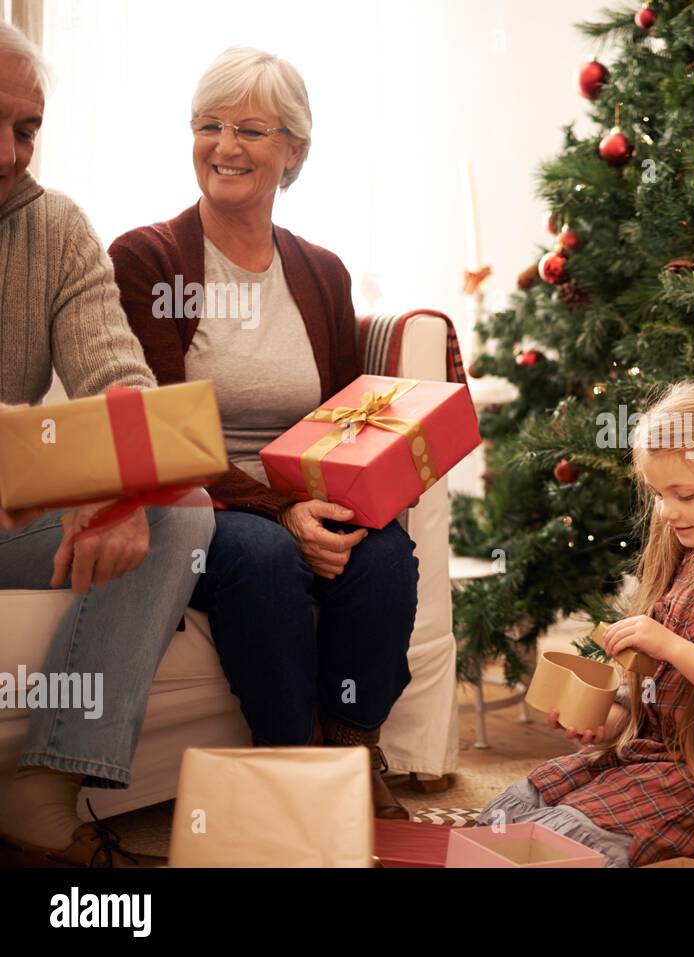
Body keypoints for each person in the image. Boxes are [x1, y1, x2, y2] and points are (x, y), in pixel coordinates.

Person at [108, 47, 416, 820]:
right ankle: (292, 768)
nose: (225, 146)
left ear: (293, 152)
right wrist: (284, 512)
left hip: (299, 496)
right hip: (195, 503)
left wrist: (344, 495)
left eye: (250, 128)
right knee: (266, 556)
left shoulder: (321, 272)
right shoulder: (146, 259)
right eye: (208, 125)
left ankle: (351, 748)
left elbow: (345, 422)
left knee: (383, 555)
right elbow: (163, 436)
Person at [0, 22, 214, 866]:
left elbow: (119, 377)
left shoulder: (54, 228)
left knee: (181, 513)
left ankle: (43, 789)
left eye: (27, 128)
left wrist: (125, 486)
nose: (12, 153)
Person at [478, 382, 694, 866]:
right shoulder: (684, 566)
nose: (666, 511)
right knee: (512, 813)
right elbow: (654, 701)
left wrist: (672, 647)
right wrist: (605, 723)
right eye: (659, 495)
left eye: (683, 494)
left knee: (559, 841)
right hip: (651, 756)